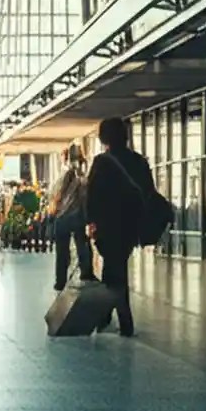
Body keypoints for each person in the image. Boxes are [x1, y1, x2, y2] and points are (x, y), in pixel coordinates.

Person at [85, 117, 152, 337]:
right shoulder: (139, 162)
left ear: (104, 137)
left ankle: (124, 320)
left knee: (115, 270)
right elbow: (148, 193)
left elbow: (91, 195)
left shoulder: (102, 162)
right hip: (130, 227)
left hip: (107, 225)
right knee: (114, 267)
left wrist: (91, 221)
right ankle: (105, 317)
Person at [51, 145, 95, 290]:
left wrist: (56, 210)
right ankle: (86, 273)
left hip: (62, 217)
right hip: (77, 217)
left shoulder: (63, 176)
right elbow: (85, 199)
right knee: (82, 244)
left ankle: (60, 280)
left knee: (62, 251)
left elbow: (55, 196)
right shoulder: (82, 178)